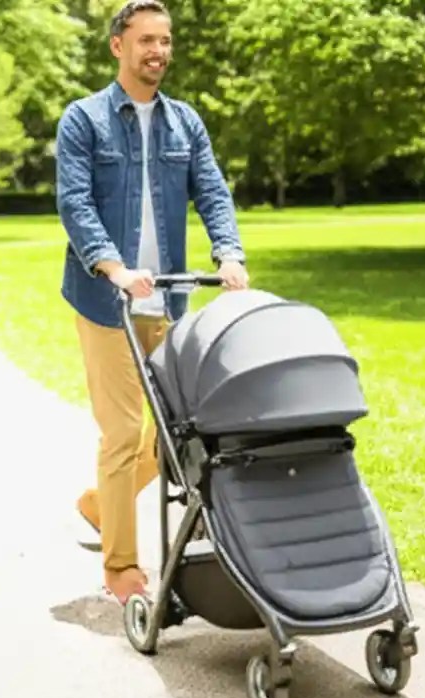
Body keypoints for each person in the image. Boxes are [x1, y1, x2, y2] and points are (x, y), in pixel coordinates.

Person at [54, 0, 250, 606]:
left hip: (168, 300)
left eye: (165, 41)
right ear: (118, 46)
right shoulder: (83, 120)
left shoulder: (184, 122)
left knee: (173, 434)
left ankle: (98, 504)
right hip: (104, 300)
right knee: (122, 433)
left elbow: (212, 190)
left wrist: (229, 253)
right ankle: (121, 567)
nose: (157, 51)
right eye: (145, 41)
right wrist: (114, 267)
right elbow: (75, 203)